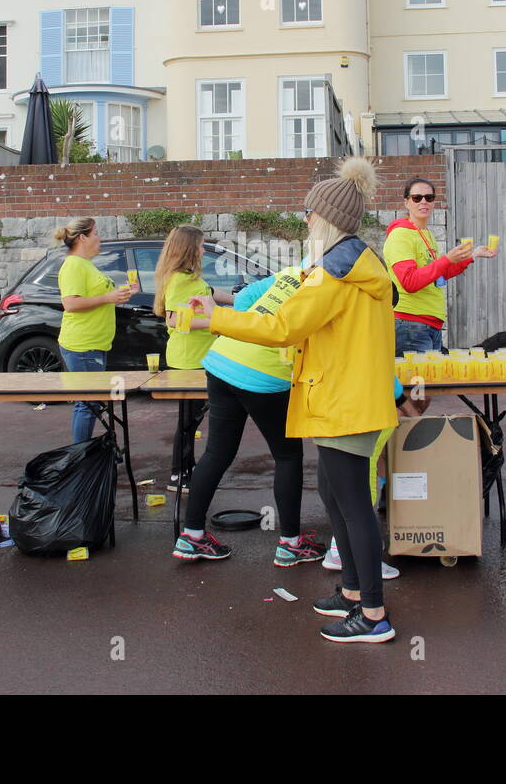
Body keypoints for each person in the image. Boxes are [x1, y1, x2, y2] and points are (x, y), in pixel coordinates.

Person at [191, 157, 427, 644]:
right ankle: (354, 593)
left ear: (325, 217)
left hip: (346, 404)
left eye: (307, 212)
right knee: (336, 498)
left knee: (352, 505)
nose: (303, 220)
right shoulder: (354, 264)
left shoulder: (335, 271)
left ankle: (375, 615)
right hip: (345, 400)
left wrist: (211, 318)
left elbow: (281, 326)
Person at [171, 264, 325, 566]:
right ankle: (290, 543)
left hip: (223, 358)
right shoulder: (327, 284)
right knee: (287, 455)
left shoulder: (289, 272)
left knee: (216, 452)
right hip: (265, 371)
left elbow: (241, 303)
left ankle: (191, 536)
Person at [152, 224, 233, 492]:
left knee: (192, 420)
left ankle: (188, 467)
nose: (202, 249)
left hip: (200, 357)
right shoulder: (178, 279)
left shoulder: (190, 278)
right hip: (188, 359)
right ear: (188, 249)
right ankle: (179, 474)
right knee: (188, 421)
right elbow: (174, 320)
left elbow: (210, 294)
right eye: (199, 245)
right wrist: (214, 323)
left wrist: (238, 298)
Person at [384, 177, 495, 355]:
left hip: (428, 324)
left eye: (429, 197)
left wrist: (472, 255)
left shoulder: (425, 233)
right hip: (411, 324)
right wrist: (447, 259)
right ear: (406, 202)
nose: (423, 202)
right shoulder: (401, 236)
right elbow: (409, 282)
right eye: (416, 198)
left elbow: (439, 274)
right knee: (418, 383)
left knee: (428, 382)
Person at [54, 217, 134, 444]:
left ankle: (82, 454)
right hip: (82, 345)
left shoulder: (85, 264)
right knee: (88, 403)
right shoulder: (73, 265)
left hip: (94, 343)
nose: (100, 238)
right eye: (96, 233)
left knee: (91, 402)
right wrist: (108, 297)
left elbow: (95, 298)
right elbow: (70, 303)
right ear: (82, 238)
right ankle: (80, 457)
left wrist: (119, 295)